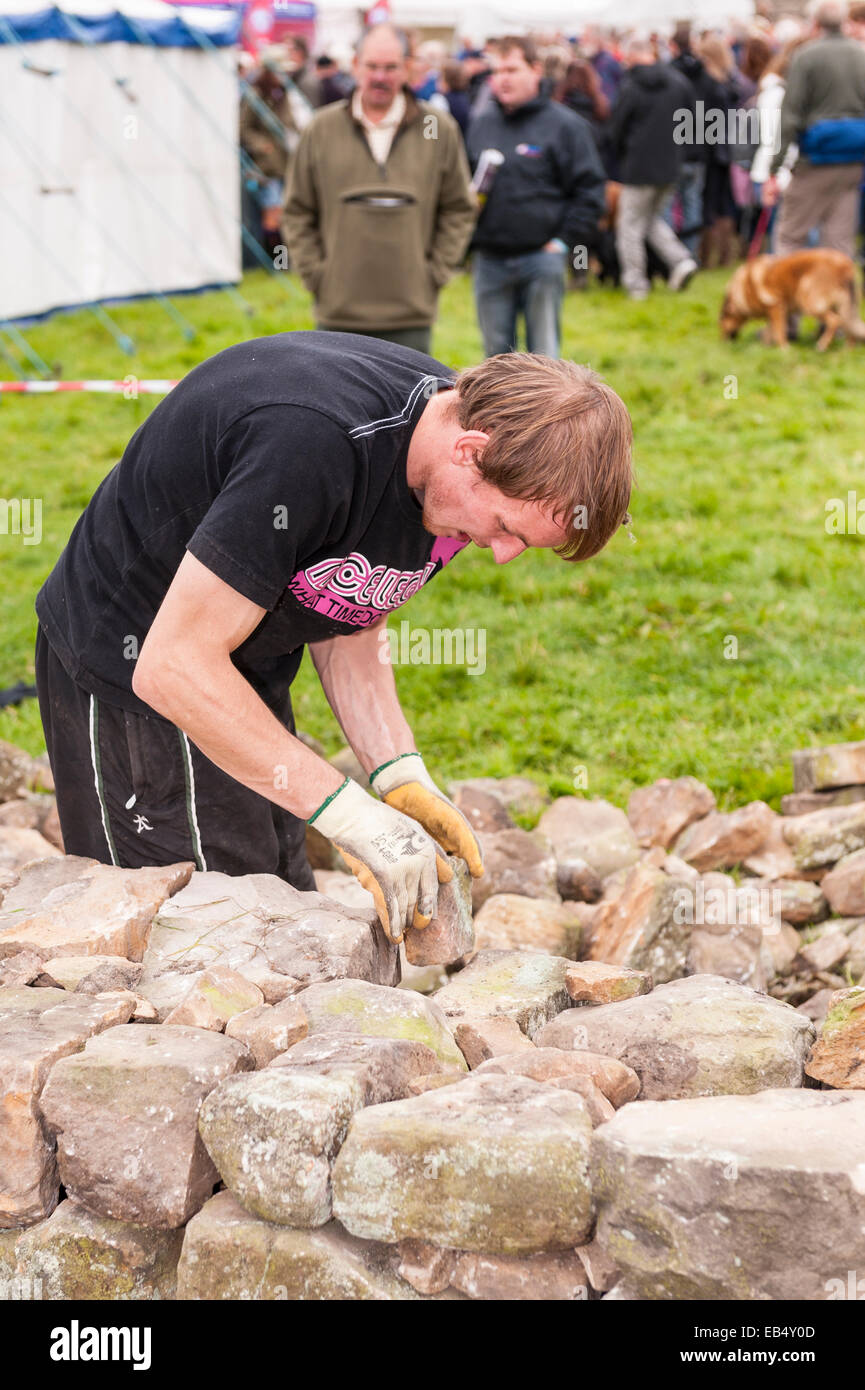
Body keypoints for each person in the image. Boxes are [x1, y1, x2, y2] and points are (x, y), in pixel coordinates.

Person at [34, 335, 633, 946]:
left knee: (277, 906)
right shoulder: (309, 446)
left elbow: (351, 599)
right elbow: (175, 665)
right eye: (506, 528)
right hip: (135, 663)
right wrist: (347, 815)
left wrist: (399, 776)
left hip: (237, 653)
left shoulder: (446, 474)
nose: (502, 555)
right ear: (470, 451)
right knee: (193, 937)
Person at [282, 25, 475, 354]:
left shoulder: (438, 128)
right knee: (338, 405)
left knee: (411, 405)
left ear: (408, 68)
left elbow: (459, 207)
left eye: (390, 67)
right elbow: (298, 209)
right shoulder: (322, 128)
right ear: (356, 65)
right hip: (339, 311)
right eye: (372, 66)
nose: (380, 77)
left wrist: (435, 272)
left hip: (410, 311)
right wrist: (318, 275)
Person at [466, 35, 606, 357]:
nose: (503, 78)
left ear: (536, 70)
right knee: (496, 363)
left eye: (512, 69)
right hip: (490, 260)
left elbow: (590, 189)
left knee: (544, 361)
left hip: (541, 258)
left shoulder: (564, 125)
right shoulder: (481, 123)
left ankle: (550, 411)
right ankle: (502, 410)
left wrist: (562, 242)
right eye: (497, 71)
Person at [764, 0, 865, 259]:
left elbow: (790, 116)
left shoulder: (806, 56)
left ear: (815, 24)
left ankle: (786, 297)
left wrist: (774, 169)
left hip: (816, 159)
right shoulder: (861, 54)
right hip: (854, 158)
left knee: (790, 235)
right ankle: (840, 298)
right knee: (840, 239)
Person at [608, 34, 699, 299]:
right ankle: (681, 260)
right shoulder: (678, 82)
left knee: (629, 226)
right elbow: (692, 121)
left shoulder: (631, 86)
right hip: (671, 164)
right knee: (649, 220)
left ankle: (636, 284)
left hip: (638, 168)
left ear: (630, 55)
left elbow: (617, 129)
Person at [240, 48, 314, 255]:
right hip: (265, 166)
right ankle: (277, 261)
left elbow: (291, 123)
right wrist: (262, 145)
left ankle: (282, 259)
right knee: (273, 213)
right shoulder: (255, 94)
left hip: (286, 162)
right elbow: (243, 127)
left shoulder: (284, 93)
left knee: (285, 212)